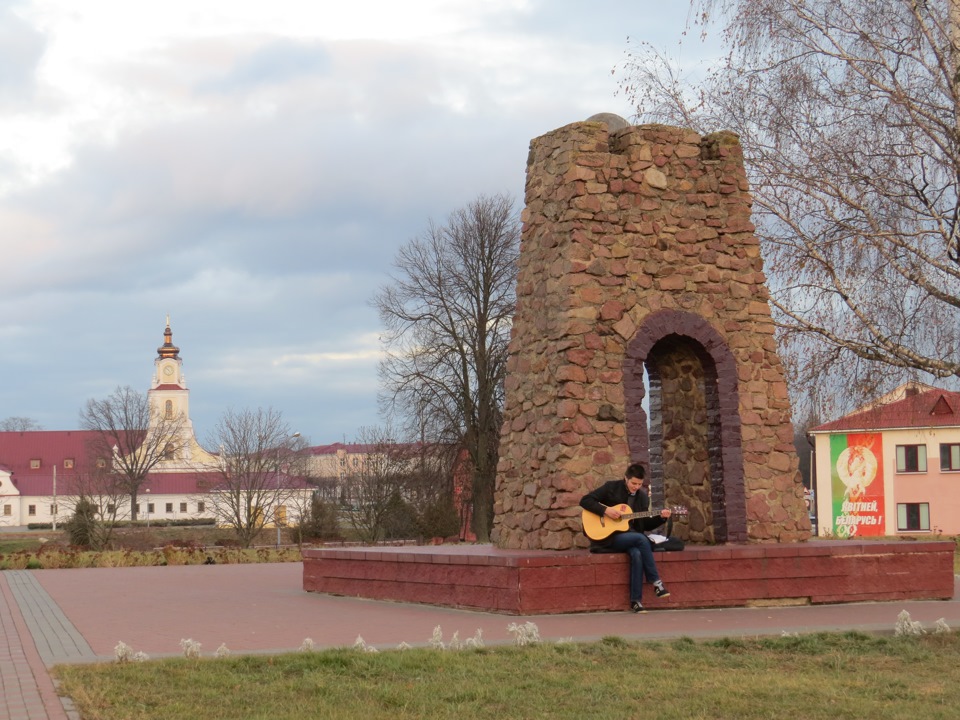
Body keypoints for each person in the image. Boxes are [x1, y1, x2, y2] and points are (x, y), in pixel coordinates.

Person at [580, 462, 671, 613]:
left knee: (637, 553)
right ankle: (656, 583)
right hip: (607, 538)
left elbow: (645, 524)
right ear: (626, 478)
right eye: (633, 483)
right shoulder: (611, 488)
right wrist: (606, 511)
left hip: (630, 537)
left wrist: (661, 518)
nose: (636, 487)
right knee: (641, 539)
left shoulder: (642, 498)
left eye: (639, 484)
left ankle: (636, 602)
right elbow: (585, 500)